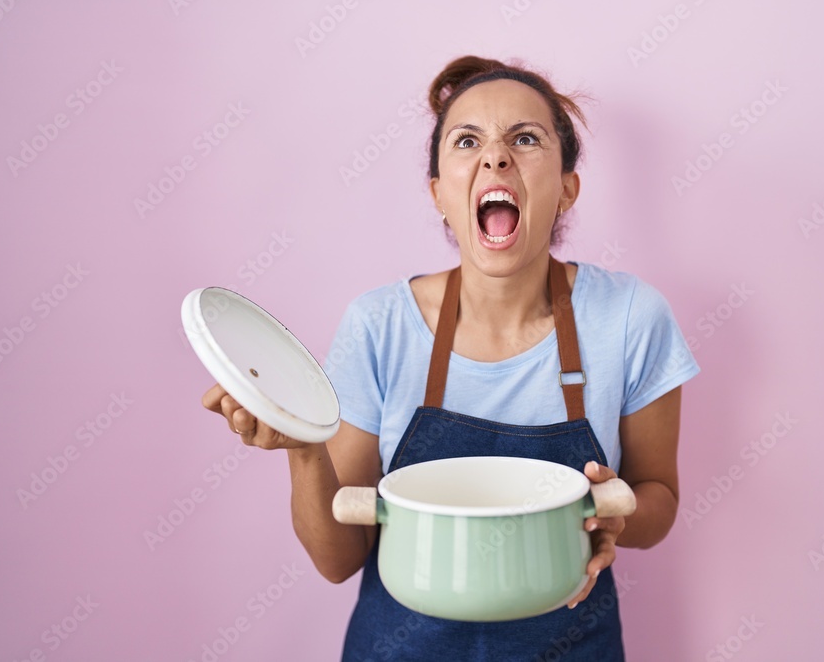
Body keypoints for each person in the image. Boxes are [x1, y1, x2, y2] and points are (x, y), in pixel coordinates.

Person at [203, 55, 700, 661]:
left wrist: (613, 512)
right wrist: (304, 448)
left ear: (568, 188)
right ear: (438, 192)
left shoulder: (630, 318)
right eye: (468, 141)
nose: (496, 157)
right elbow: (337, 560)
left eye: (525, 138)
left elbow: (658, 499)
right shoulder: (379, 325)